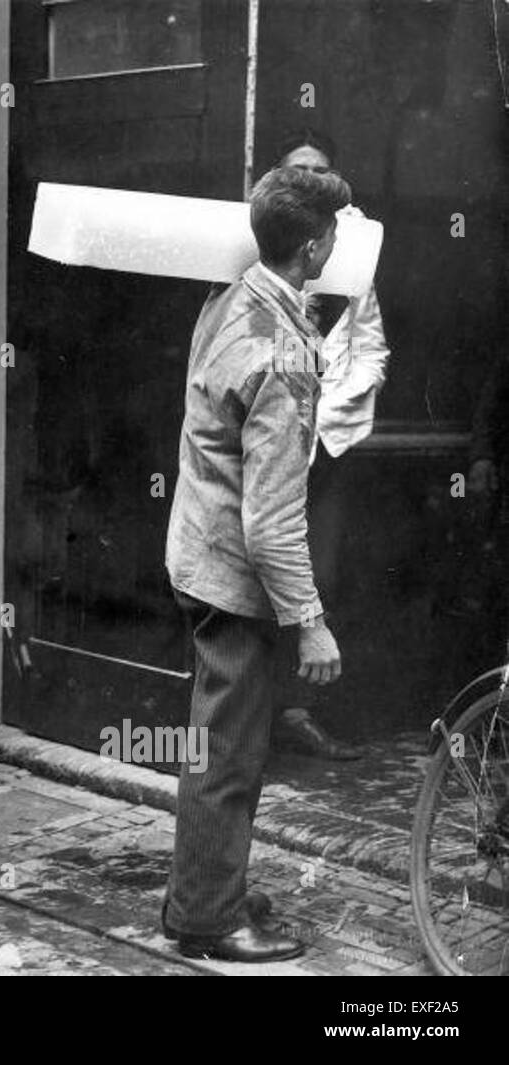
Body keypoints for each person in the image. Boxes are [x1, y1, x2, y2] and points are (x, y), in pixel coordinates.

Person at [162, 166, 350, 961]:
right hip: (235, 578)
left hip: (198, 555)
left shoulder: (230, 298)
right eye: (333, 233)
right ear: (313, 248)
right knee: (229, 752)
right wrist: (310, 622)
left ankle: (207, 888)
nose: (339, 242)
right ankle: (206, 919)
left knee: (217, 739)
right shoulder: (282, 356)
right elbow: (271, 521)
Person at [267, 128, 389, 761]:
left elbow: (370, 350)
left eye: (321, 171)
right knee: (256, 572)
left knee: (323, 572)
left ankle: (298, 711)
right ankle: (248, 721)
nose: (310, 180)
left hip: (330, 445)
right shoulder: (258, 254)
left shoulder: (353, 259)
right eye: (298, 171)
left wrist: (331, 407)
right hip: (266, 444)